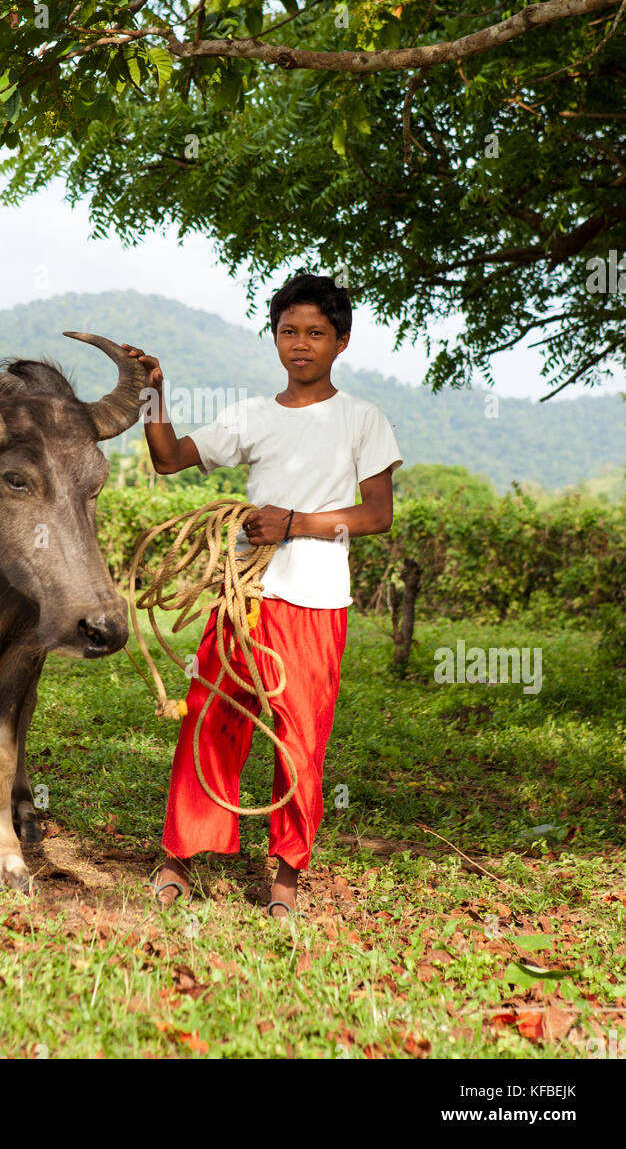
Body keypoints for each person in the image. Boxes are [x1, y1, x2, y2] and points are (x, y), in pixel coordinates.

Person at [122, 273, 402, 920]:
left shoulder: (364, 420)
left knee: (301, 740)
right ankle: (179, 856)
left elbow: (378, 514)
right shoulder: (251, 415)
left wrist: (294, 522)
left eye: (315, 333)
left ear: (342, 341)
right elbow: (169, 458)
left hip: (317, 602)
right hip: (241, 599)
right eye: (288, 331)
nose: (300, 344)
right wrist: (152, 397)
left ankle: (286, 876)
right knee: (211, 718)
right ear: (273, 337)